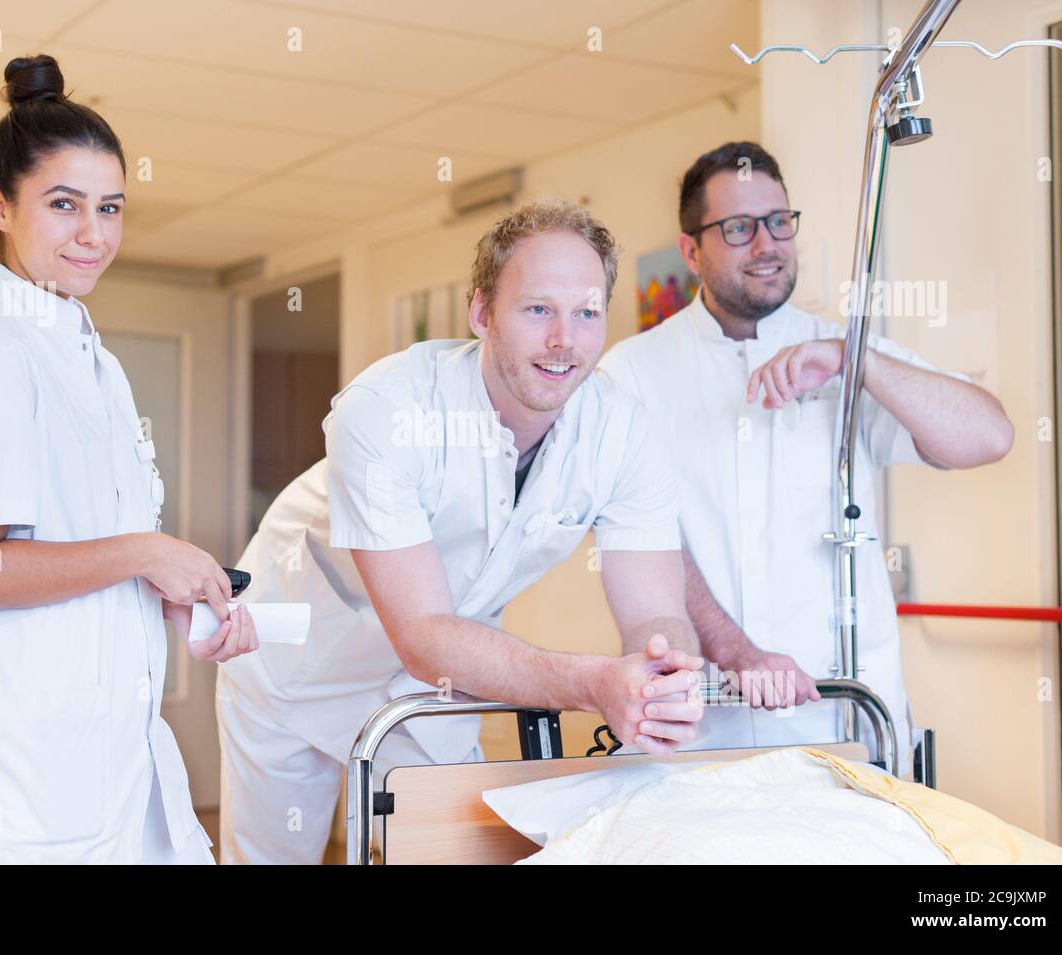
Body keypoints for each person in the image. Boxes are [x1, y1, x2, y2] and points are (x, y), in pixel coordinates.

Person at [216, 199, 705, 863]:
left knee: (460, 852)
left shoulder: (622, 430)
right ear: (482, 312)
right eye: (538, 310)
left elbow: (656, 607)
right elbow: (422, 634)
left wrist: (664, 671)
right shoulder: (389, 409)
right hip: (295, 665)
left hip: (438, 681)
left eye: (587, 312)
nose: (566, 338)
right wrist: (595, 684)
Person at [0, 54, 257, 864]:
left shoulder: (88, 352)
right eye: (64, 205)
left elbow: (86, 547)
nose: (93, 234)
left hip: (112, 758)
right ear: (1, 205)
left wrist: (180, 599)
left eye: (110, 207)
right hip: (19, 785)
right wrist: (146, 552)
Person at [600, 141, 1014, 774]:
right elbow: (649, 545)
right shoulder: (631, 375)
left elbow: (989, 437)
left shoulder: (844, 354)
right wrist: (739, 655)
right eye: (737, 228)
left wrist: (854, 360)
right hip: (705, 739)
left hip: (849, 725)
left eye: (778, 222)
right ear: (691, 251)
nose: (766, 244)